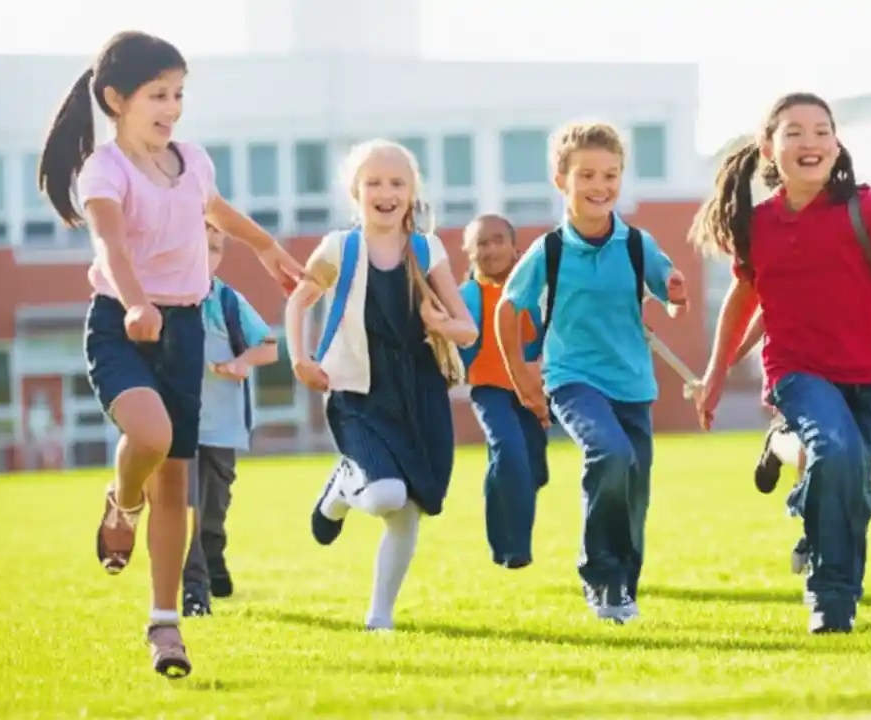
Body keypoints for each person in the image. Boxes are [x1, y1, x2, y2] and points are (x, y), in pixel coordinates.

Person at [38, 31, 301, 677]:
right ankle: (122, 502)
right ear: (116, 99)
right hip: (122, 325)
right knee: (150, 436)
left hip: (183, 327)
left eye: (179, 94)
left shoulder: (192, 159)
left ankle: (165, 625)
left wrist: (267, 248)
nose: (172, 107)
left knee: (177, 483)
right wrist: (134, 303)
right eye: (158, 95)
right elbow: (112, 244)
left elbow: (216, 210)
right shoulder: (105, 170)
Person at [691, 93, 871, 634]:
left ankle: (791, 468)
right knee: (836, 453)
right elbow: (745, 303)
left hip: (868, 377)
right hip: (799, 373)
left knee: (855, 497)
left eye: (822, 130)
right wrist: (716, 373)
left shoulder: (866, 208)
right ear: (769, 150)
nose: (810, 141)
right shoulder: (758, 224)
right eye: (794, 132)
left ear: (837, 144)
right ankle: (831, 599)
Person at [496, 121, 687, 624]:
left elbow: (667, 292)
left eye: (610, 174)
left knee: (635, 488)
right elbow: (506, 310)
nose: (599, 186)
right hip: (572, 378)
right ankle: (599, 574)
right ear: (561, 180)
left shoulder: (636, 244)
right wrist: (522, 377)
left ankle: (623, 583)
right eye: (586, 175)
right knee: (609, 452)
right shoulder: (549, 250)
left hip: (632, 384)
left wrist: (676, 293)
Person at [287, 139, 477, 631]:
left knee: (409, 507)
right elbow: (298, 301)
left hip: (419, 394)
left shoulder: (426, 249)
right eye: (374, 182)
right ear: (356, 191)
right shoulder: (339, 248)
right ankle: (344, 486)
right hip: (356, 395)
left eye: (397, 183)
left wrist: (439, 324)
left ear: (412, 193)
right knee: (386, 495)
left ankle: (380, 616)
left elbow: (467, 329)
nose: (386, 192)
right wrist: (300, 357)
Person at [182, 223, 279, 617]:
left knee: (212, 512)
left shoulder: (227, 301)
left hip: (222, 428)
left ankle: (213, 554)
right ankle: (194, 591)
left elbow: (269, 348)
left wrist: (241, 362)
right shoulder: (163, 299)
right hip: (178, 429)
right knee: (187, 507)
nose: (207, 256)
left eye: (215, 248)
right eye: (199, 246)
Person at [459, 213, 550, 569]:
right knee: (508, 451)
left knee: (533, 471)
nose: (491, 248)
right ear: (469, 252)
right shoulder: (469, 295)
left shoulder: (533, 291)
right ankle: (514, 548)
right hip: (489, 390)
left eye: (499, 240)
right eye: (482, 243)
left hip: (529, 391)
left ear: (516, 249)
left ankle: (504, 492)